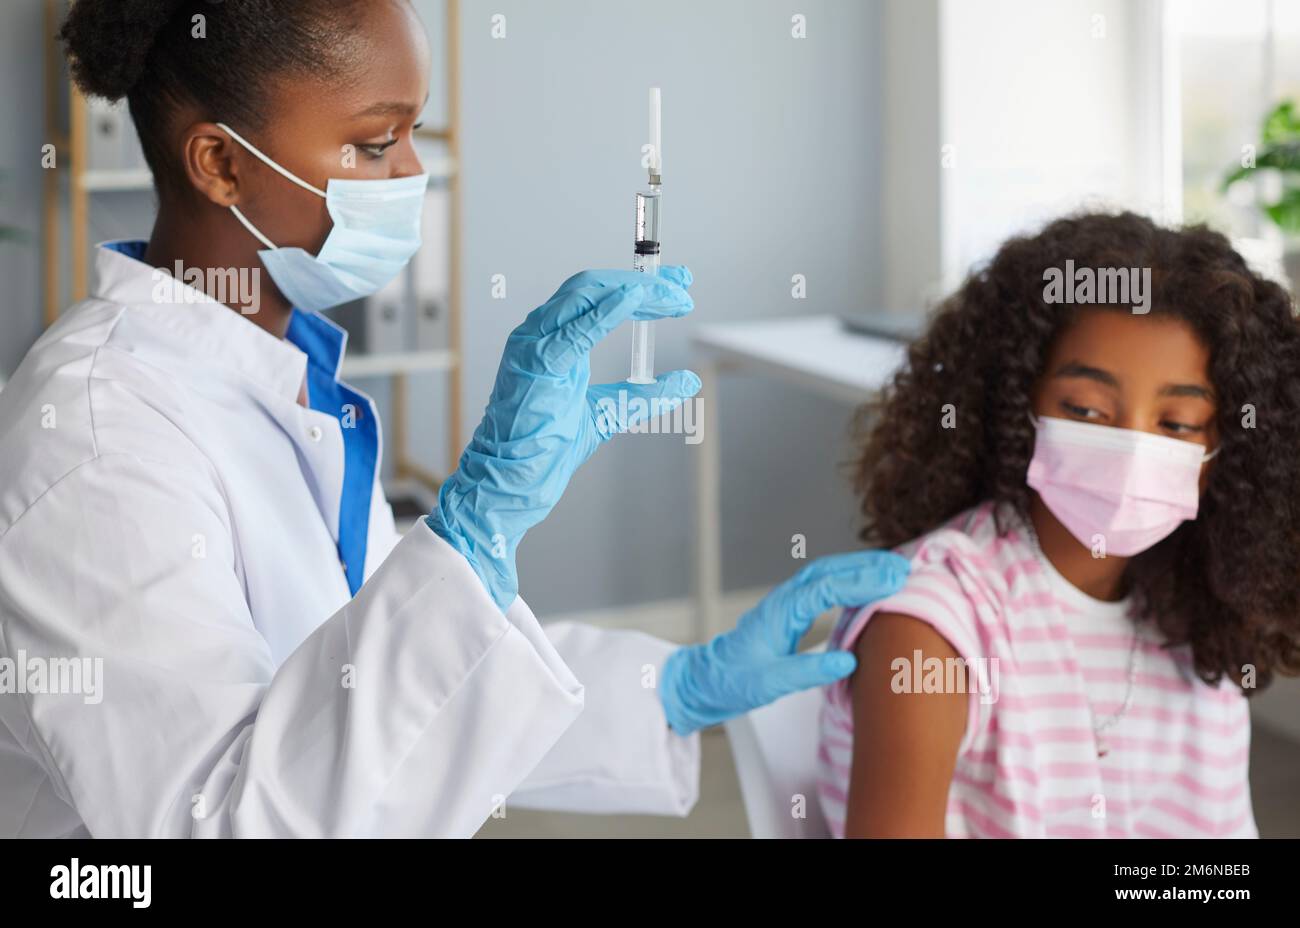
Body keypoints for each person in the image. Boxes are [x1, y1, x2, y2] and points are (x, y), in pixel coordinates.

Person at [0, 0, 907, 837]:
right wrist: (473, 530)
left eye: (414, 132)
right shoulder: (96, 436)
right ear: (222, 163)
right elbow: (226, 819)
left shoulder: (276, 380)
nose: (411, 174)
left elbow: (386, 683)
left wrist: (673, 688)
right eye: (374, 142)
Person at [818, 211, 1300, 838]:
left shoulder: (1202, 614)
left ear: (1227, 443)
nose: (1131, 447)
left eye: (1177, 423)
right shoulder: (932, 625)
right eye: (1087, 409)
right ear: (1019, 403)